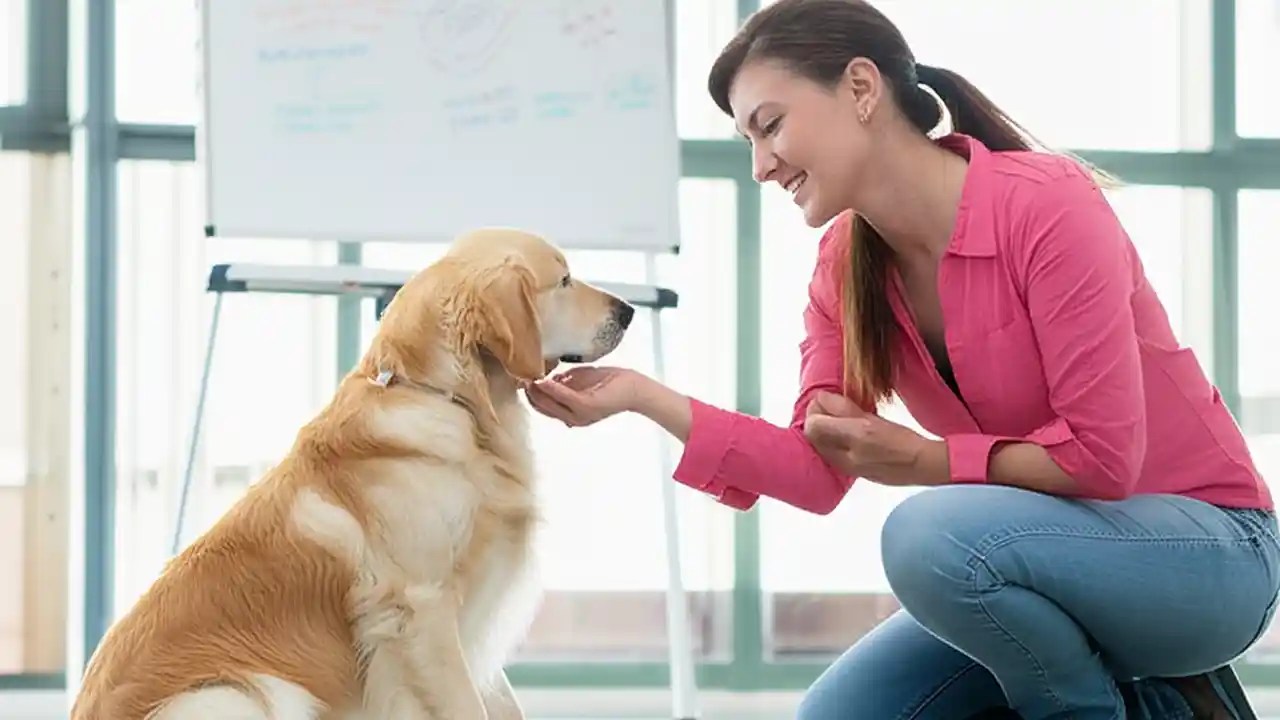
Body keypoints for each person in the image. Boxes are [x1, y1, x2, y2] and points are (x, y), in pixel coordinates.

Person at [523, 0, 1280, 717]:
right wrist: (642, 396)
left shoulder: (1045, 204)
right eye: (747, 142)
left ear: (861, 88)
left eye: (770, 125)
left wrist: (924, 460)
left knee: (927, 535)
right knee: (838, 711)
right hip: (1038, 566)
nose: (760, 166)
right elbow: (816, 469)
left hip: (1209, 557)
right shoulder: (843, 266)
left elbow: (1104, 460)